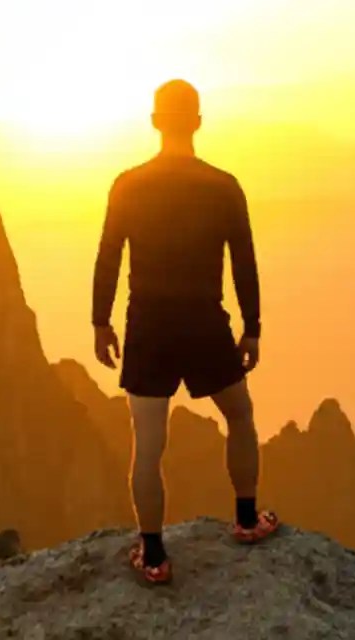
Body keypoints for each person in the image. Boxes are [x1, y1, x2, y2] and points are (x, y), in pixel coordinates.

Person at [92, 79, 280, 585]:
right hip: (204, 322)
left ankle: (153, 556)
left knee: (148, 444)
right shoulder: (222, 185)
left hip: (147, 325)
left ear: (156, 121)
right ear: (196, 121)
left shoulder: (128, 184)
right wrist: (253, 328)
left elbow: (109, 255)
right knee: (239, 415)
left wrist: (99, 322)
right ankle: (245, 520)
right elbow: (244, 261)